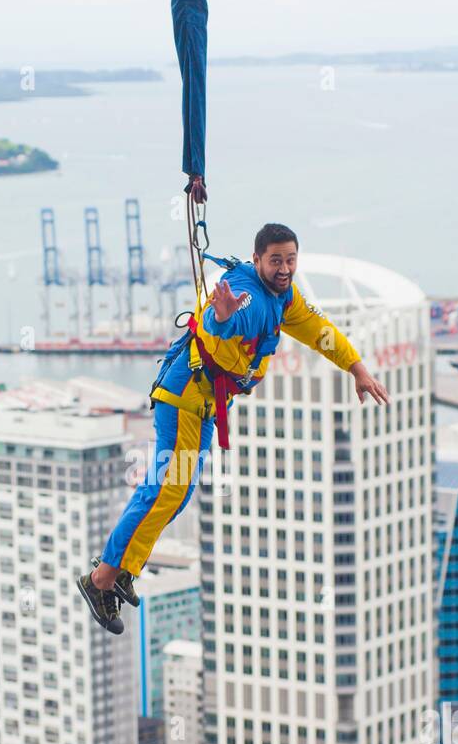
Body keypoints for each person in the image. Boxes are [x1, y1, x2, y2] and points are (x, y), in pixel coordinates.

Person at [76, 222, 390, 633]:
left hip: (205, 406)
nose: (284, 268)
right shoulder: (246, 297)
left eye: (291, 259)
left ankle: (122, 570)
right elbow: (217, 321)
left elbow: (320, 333)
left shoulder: (284, 297)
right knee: (164, 488)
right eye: (275, 260)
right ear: (256, 258)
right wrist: (221, 320)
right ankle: (101, 579)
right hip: (184, 398)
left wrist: (357, 368)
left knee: (177, 492)